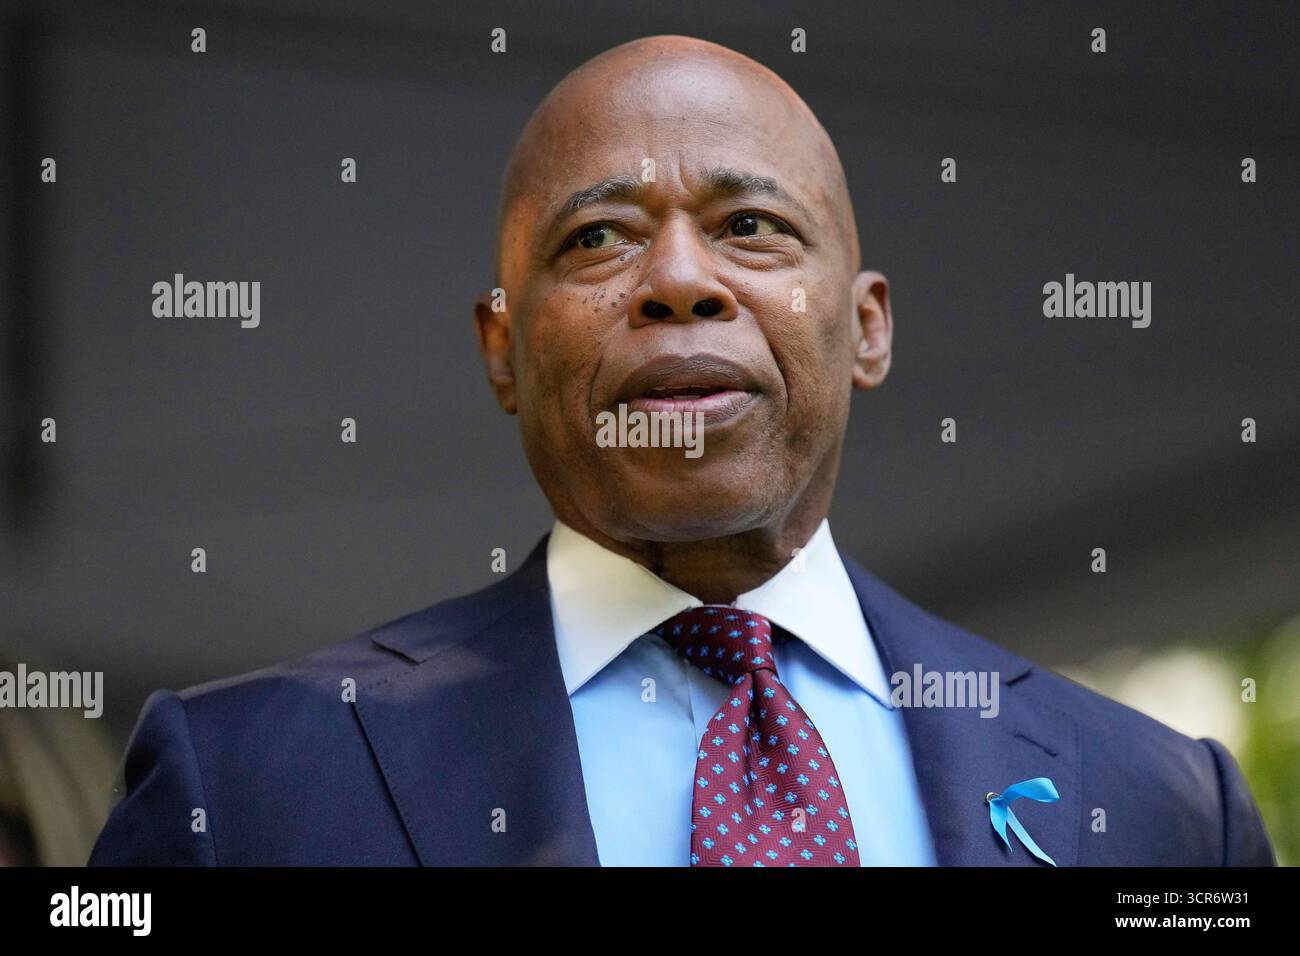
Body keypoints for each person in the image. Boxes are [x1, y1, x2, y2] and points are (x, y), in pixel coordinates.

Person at [89, 35, 1275, 867]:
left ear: (866, 325)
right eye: (599, 237)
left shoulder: (1158, 802)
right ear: (502, 351)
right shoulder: (242, 785)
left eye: (749, 227)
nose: (677, 280)